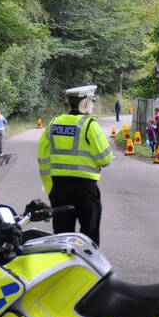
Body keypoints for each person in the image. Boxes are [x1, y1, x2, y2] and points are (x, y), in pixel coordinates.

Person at [37, 91, 112, 245]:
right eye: (91, 103)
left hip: (58, 188)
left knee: (61, 239)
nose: (92, 106)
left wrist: (50, 188)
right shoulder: (90, 125)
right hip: (85, 189)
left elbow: (43, 159)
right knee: (89, 239)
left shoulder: (53, 123)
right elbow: (105, 159)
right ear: (84, 104)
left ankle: (62, 268)